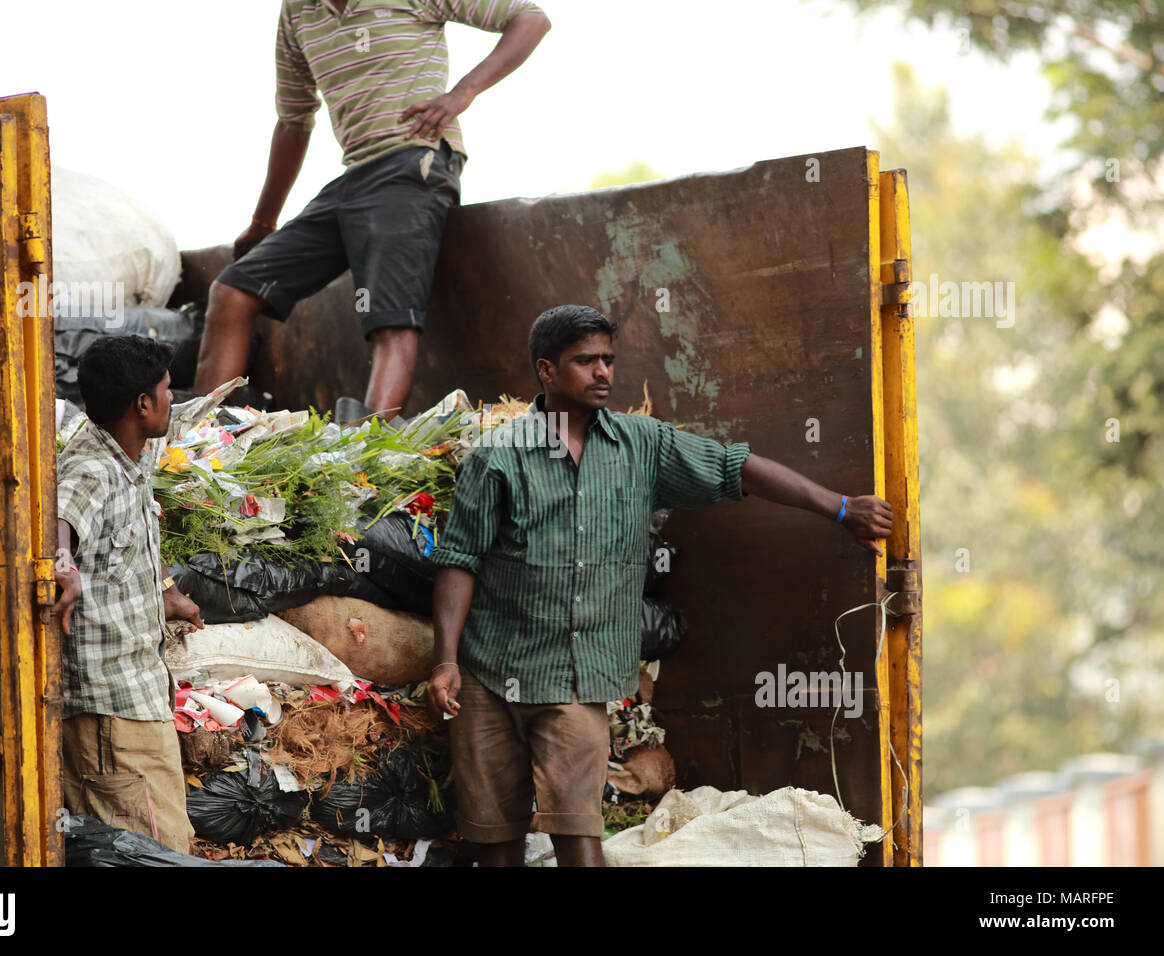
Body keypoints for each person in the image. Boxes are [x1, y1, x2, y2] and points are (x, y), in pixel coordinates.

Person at [427, 304, 894, 867]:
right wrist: (445, 660)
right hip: (489, 677)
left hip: (576, 680)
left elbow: (736, 468)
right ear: (547, 371)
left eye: (608, 360)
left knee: (579, 841)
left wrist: (841, 508)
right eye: (585, 361)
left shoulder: (642, 445)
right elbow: (459, 560)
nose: (603, 372)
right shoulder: (498, 458)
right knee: (495, 847)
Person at [193, 0, 552, 422]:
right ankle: (195, 442)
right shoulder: (298, 13)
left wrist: (461, 93)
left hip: (412, 163)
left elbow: (531, 18)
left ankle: (365, 457)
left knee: (389, 319)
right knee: (231, 291)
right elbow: (293, 119)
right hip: (355, 177)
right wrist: (262, 222)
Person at [53, 335, 207, 853]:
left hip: (140, 697)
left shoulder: (130, 456)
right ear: (142, 405)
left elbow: (127, 547)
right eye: (166, 390)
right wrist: (62, 563)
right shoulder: (92, 467)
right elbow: (62, 515)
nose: (172, 398)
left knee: (164, 848)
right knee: (145, 853)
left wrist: (165, 592)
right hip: (110, 711)